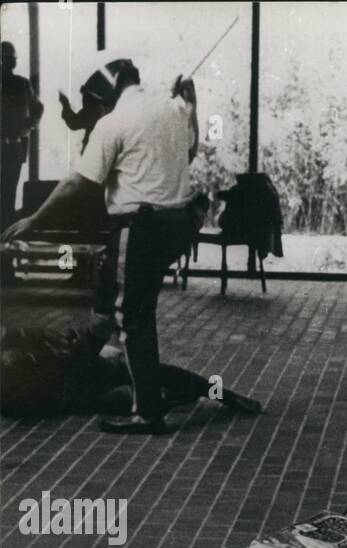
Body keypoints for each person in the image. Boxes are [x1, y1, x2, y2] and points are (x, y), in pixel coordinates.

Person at [2, 58, 200, 436]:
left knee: (133, 317)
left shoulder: (114, 122)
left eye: (95, 106)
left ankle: (147, 413)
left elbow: (79, 184)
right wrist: (192, 103)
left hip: (143, 226)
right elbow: (190, 150)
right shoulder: (172, 107)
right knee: (119, 305)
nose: (95, 114)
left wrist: (34, 221)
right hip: (179, 223)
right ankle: (127, 379)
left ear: (104, 97)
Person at [0, 323, 261, 419]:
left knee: (150, 371)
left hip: (84, 366)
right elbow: (41, 404)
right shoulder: (11, 391)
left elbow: (58, 336)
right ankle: (170, 396)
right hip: (77, 391)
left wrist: (79, 346)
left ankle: (223, 395)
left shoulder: (11, 336)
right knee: (127, 398)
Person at [1, 41, 44, 229]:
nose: (5, 64)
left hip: (15, 148)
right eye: (3, 60)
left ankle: (6, 241)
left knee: (9, 193)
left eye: (8, 60)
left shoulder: (22, 84)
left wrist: (28, 127)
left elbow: (38, 108)